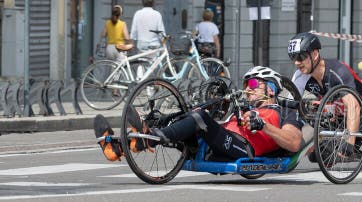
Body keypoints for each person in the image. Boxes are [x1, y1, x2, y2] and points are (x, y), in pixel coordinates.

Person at [94, 66, 303, 162]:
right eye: (247, 83)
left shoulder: (285, 112)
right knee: (187, 115)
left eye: (255, 83)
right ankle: (118, 147)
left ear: (272, 89)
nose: (249, 88)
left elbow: (294, 143)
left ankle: (150, 139)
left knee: (200, 118)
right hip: (219, 142)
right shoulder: (246, 108)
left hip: (244, 148)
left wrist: (263, 125)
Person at [288, 32, 362, 160]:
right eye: (293, 57)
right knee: (316, 156)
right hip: (335, 113)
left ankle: (354, 147)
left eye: (300, 57)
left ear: (315, 54)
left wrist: (349, 143)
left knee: (341, 151)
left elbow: (353, 106)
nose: (296, 62)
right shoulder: (300, 76)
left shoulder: (337, 71)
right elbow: (291, 104)